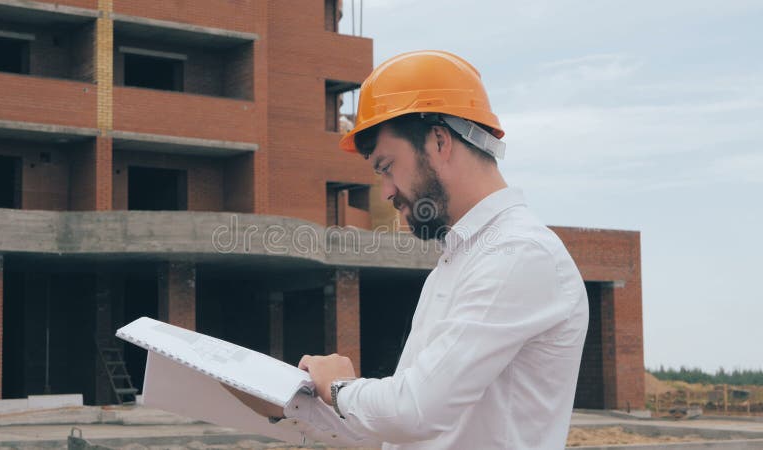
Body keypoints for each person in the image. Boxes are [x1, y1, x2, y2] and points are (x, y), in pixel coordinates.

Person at [225, 50, 589, 449]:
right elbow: (397, 434)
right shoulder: (458, 264)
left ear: (438, 141)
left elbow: (414, 412)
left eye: (386, 166)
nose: (386, 191)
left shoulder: (519, 253)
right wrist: (287, 405)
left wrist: (339, 386)